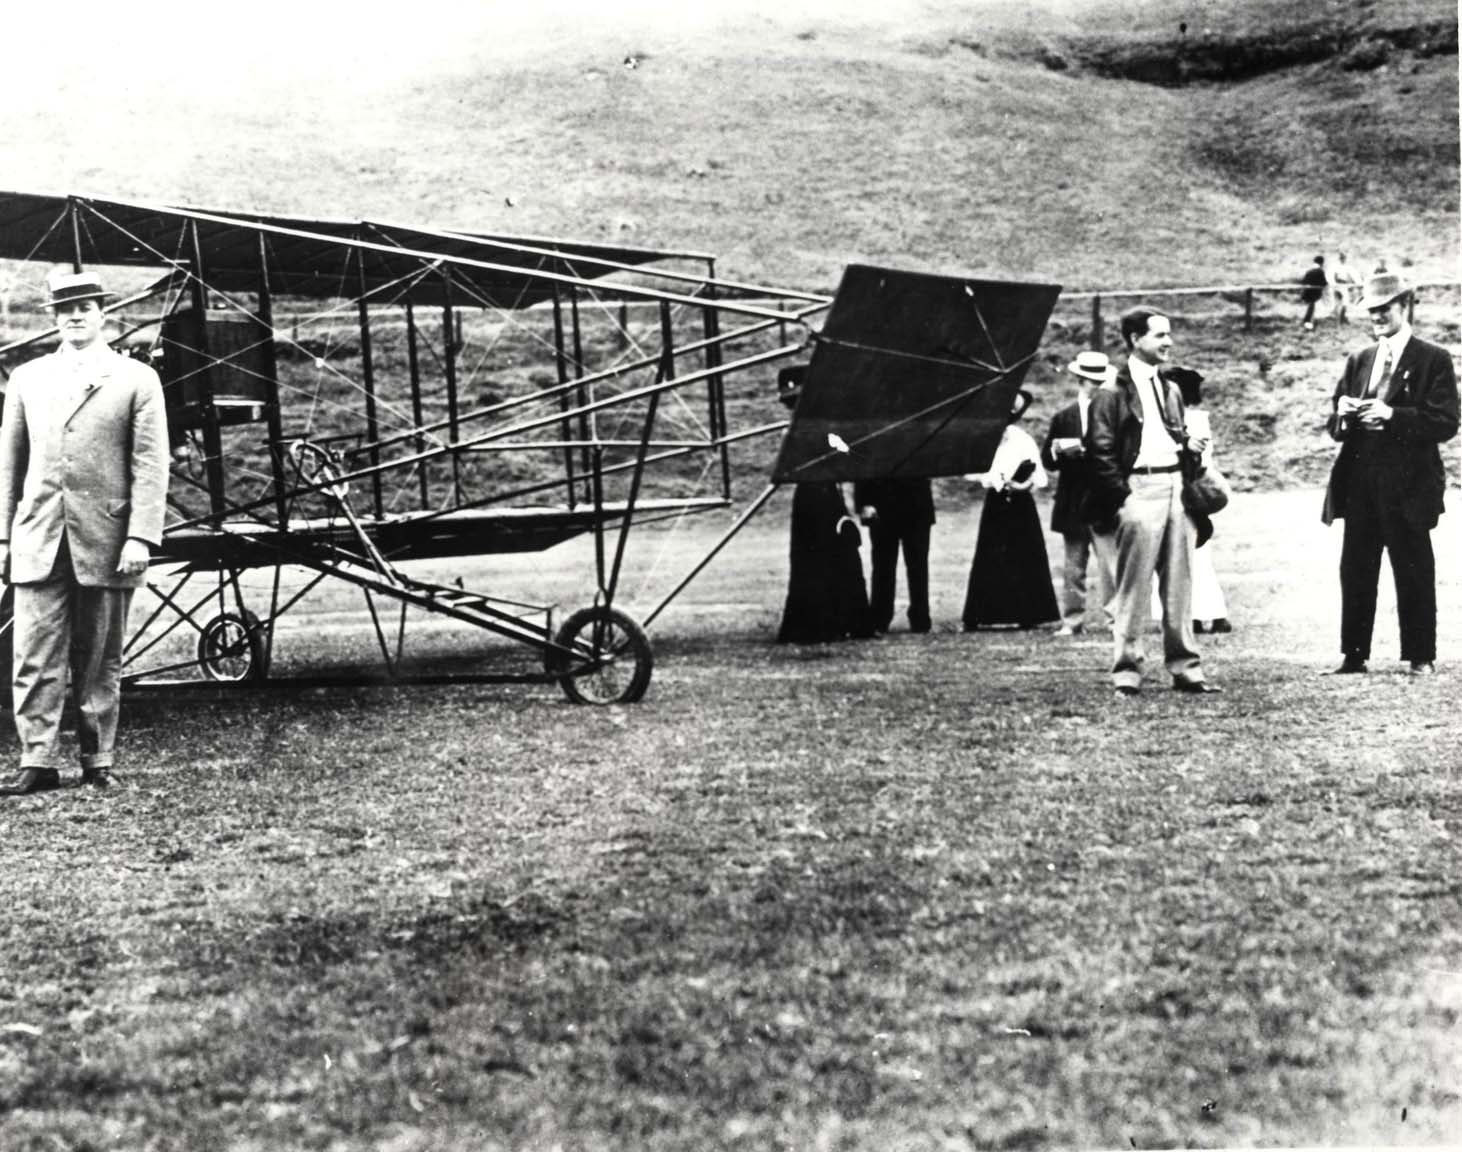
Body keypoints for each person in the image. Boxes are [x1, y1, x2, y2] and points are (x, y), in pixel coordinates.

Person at [0, 270, 170, 794]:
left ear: (104, 314)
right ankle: (38, 760)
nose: (74, 316)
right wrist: (4, 538)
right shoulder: (27, 378)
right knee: (33, 654)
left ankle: (100, 759)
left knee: (101, 657)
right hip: (38, 538)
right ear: (53, 317)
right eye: (64, 309)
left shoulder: (136, 379)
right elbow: (10, 465)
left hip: (108, 539)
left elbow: (150, 464)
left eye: (85, 307)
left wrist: (140, 536)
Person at [1322, 270, 1459, 675]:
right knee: (1356, 568)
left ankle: (1420, 656)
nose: (1376, 317)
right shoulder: (1360, 360)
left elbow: (1445, 422)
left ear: (1405, 306)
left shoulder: (1433, 358)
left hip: (1409, 484)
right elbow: (1334, 426)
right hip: (1361, 482)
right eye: (1371, 310)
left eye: (1384, 309)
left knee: (1413, 568)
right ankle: (1354, 655)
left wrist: (1392, 416)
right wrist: (1345, 415)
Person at [1086, 307, 1218, 697]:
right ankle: (1126, 670)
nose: (1168, 342)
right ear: (1134, 340)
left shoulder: (1171, 388)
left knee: (1180, 586)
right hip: (1138, 491)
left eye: (1169, 334)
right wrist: (1123, 500)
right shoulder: (1110, 394)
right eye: (1159, 335)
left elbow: (1173, 437)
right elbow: (1101, 451)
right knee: (1133, 588)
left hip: (1176, 486)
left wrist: (1187, 448)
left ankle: (1186, 668)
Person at [775, 369, 875, 644]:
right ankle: (825, 622)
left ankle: (840, 620)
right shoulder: (803, 429)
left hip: (824, 495)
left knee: (837, 556)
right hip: (815, 496)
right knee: (820, 558)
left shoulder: (816, 427)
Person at [961, 391, 1059, 630]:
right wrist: (995, 480)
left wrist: (1021, 485)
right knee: (990, 555)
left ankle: (1029, 613)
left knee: (1025, 555)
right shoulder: (983, 439)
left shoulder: (1022, 439)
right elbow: (970, 470)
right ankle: (981, 614)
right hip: (996, 502)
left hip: (1021, 504)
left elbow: (1039, 476)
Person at [1041, 350, 1116, 636]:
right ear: (1080, 380)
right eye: (1091, 381)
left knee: (1110, 566)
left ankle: (1115, 619)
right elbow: (1048, 461)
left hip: (1102, 499)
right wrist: (1057, 450)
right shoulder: (1063, 417)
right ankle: (1072, 620)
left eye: (1100, 381)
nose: (1096, 386)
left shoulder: (1113, 414)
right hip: (1073, 499)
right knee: (1074, 568)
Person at [1168, 367, 1232, 634]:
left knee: (1191, 555)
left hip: (1187, 489)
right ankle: (1210, 613)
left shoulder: (1187, 420)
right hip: (1191, 489)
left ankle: (1200, 613)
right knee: (1197, 554)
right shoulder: (1195, 418)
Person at [854, 477, 933, 634]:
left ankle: (920, 617)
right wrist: (864, 502)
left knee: (917, 565)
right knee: (884, 565)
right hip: (883, 504)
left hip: (916, 503)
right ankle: (880, 617)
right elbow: (863, 463)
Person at [1329, 250, 1359, 324]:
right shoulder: (1334, 266)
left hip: (1344, 286)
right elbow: (1331, 277)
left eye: (1343, 258)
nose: (1342, 259)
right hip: (1336, 286)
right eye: (1341, 258)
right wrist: (1333, 284)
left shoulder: (1347, 267)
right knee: (1337, 303)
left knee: (1345, 303)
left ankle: (1342, 318)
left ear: (1345, 259)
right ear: (1339, 259)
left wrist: (1357, 283)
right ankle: (1338, 319)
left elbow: (1354, 275)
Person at [1300, 255, 1328, 330]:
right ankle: (1309, 324)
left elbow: (1303, 282)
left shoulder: (1309, 271)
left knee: (1310, 308)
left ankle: (1308, 322)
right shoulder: (1320, 271)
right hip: (1315, 294)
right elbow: (1324, 283)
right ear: (1321, 263)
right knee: (1313, 309)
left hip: (1307, 293)